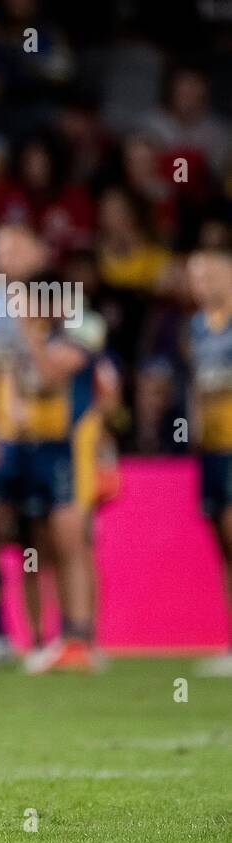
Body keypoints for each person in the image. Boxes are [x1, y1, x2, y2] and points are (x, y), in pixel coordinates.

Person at [0, 223, 104, 674]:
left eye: (15, 245)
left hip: (63, 443)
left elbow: (48, 376)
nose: (4, 256)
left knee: (65, 538)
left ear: (39, 252)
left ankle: (79, 638)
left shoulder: (76, 313)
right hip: (10, 445)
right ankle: (3, 635)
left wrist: (27, 328)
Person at [186, 245, 232, 677]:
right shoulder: (199, 326)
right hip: (214, 450)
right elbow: (199, 383)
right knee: (223, 544)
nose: (200, 286)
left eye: (207, 276)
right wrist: (195, 426)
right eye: (194, 278)